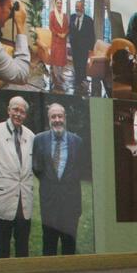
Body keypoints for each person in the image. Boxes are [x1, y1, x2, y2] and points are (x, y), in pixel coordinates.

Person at [0, 96, 34, 257]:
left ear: (26, 115)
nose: (18, 114)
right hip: (3, 197)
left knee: (22, 246)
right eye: (15, 110)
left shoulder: (31, 136)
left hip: (24, 200)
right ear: (9, 110)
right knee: (3, 246)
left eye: (22, 112)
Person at [31, 103, 84, 255]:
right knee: (49, 244)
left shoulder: (77, 141)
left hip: (71, 204)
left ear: (65, 118)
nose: (57, 120)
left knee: (69, 245)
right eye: (53, 117)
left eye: (60, 116)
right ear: (49, 119)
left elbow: (81, 168)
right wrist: (50, 183)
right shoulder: (39, 140)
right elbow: (36, 167)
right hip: (49, 202)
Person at [68, 1, 96, 95]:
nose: (77, 8)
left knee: (82, 64)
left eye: (79, 7)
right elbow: (70, 30)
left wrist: (91, 49)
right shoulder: (72, 17)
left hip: (84, 47)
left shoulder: (89, 20)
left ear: (83, 8)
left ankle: (82, 83)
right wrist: (70, 40)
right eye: (76, 7)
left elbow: (92, 35)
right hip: (74, 46)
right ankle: (77, 81)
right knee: (76, 64)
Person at [47, 0, 69, 91]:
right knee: (56, 60)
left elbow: (68, 27)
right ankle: (56, 77)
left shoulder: (64, 15)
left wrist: (65, 33)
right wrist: (58, 34)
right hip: (56, 40)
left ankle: (60, 75)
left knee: (61, 60)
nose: (59, 4)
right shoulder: (52, 14)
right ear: (55, 4)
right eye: (58, 3)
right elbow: (51, 27)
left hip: (63, 41)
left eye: (60, 3)